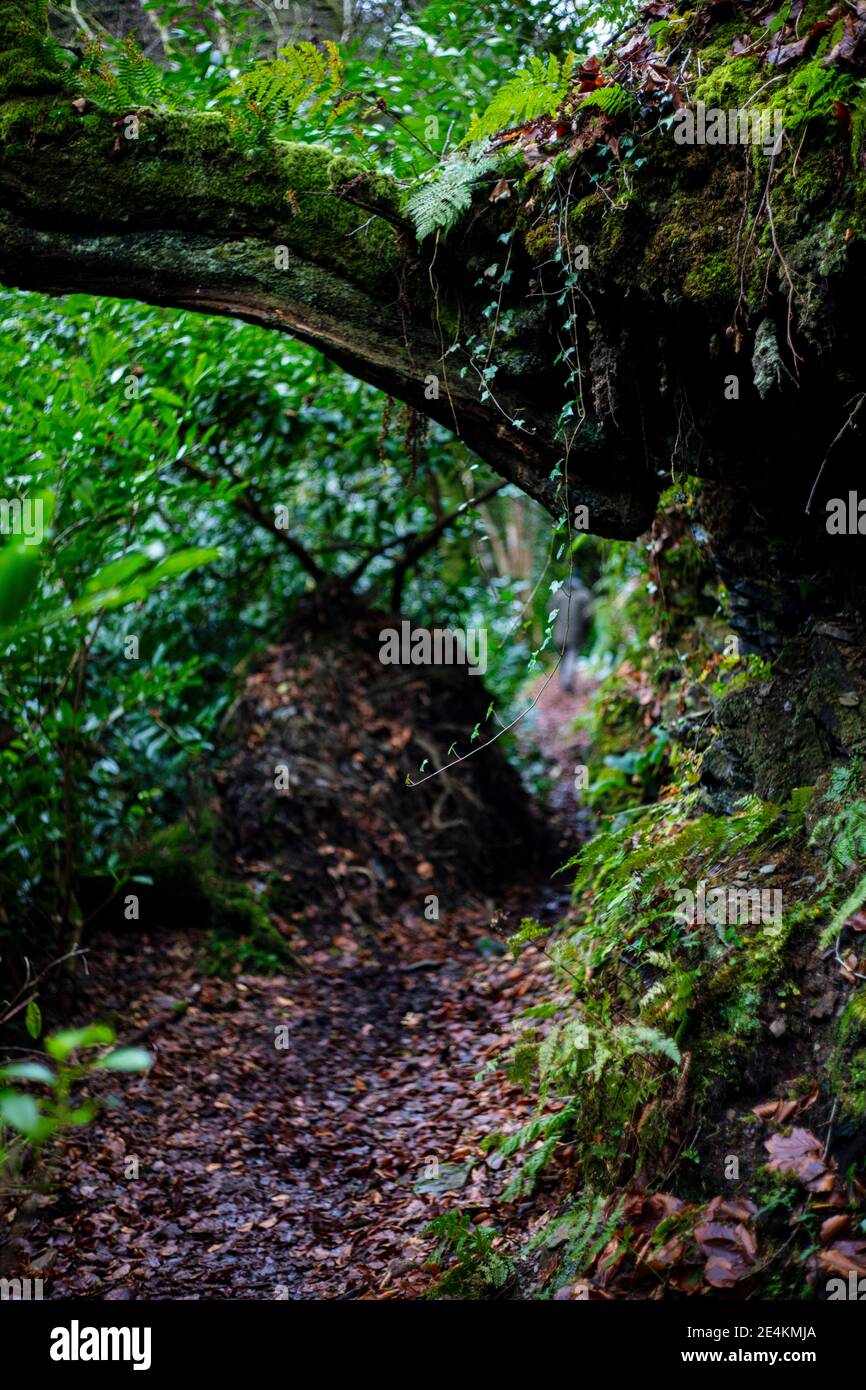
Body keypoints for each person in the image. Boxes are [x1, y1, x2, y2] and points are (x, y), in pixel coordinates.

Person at [553, 575, 592, 693]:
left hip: (558, 634)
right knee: (571, 656)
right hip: (575, 634)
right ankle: (567, 683)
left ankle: (563, 683)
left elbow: (550, 611)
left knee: (562, 657)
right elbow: (588, 616)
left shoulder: (559, 594)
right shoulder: (584, 595)